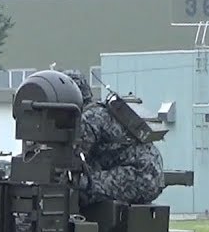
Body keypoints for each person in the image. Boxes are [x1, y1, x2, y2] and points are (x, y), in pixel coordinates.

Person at [64, 71, 166, 206]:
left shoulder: (89, 119)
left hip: (137, 176)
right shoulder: (102, 111)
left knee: (78, 186)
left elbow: (74, 160)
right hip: (149, 176)